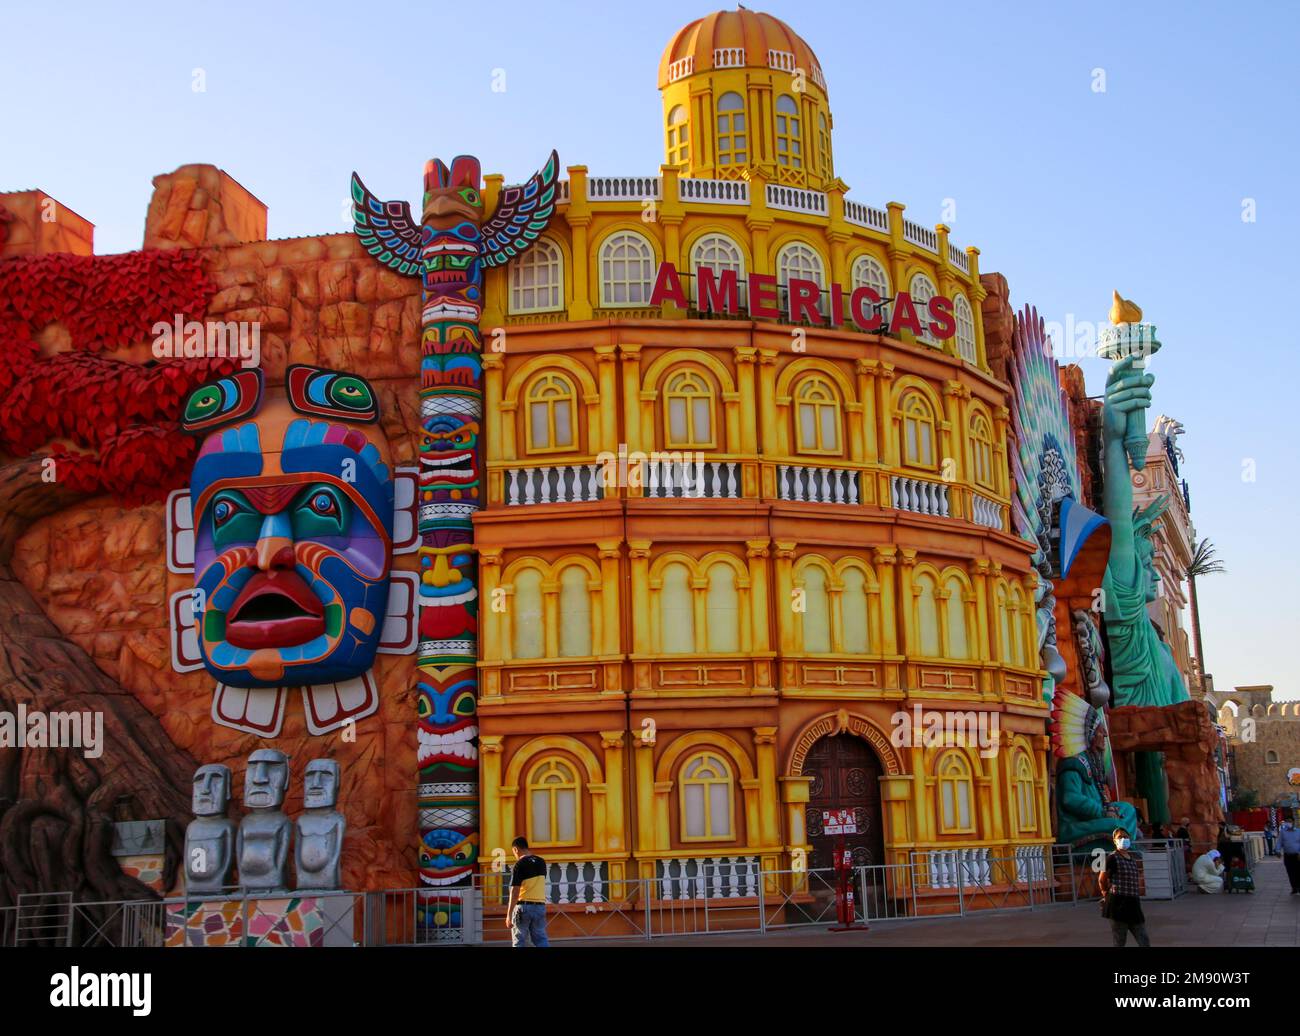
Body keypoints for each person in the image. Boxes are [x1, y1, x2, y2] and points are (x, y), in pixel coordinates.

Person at [1099, 827, 1150, 947]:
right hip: (1118, 905)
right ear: (1114, 841)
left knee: (1144, 939)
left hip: (1133, 904)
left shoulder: (1131, 859)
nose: (1123, 839)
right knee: (1120, 941)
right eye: (1120, 837)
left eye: (1126, 837)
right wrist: (1105, 893)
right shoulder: (1112, 857)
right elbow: (1102, 879)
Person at [505, 836, 550, 947]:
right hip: (540, 907)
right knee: (541, 940)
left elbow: (515, 891)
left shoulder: (520, 864)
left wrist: (509, 914)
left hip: (523, 908)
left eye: (513, 852)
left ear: (516, 849)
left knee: (519, 941)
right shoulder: (541, 862)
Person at [1279, 816, 1300, 894]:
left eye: (1290, 821)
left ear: (1293, 822)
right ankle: (1294, 887)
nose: (1288, 823)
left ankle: (1299, 887)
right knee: (1290, 872)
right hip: (1288, 856)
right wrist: (1277, 850)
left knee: (1298, 872)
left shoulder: (1298, 831)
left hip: (1297, 856)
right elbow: (1279, 842)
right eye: (1287, 821)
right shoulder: (1283, 832)